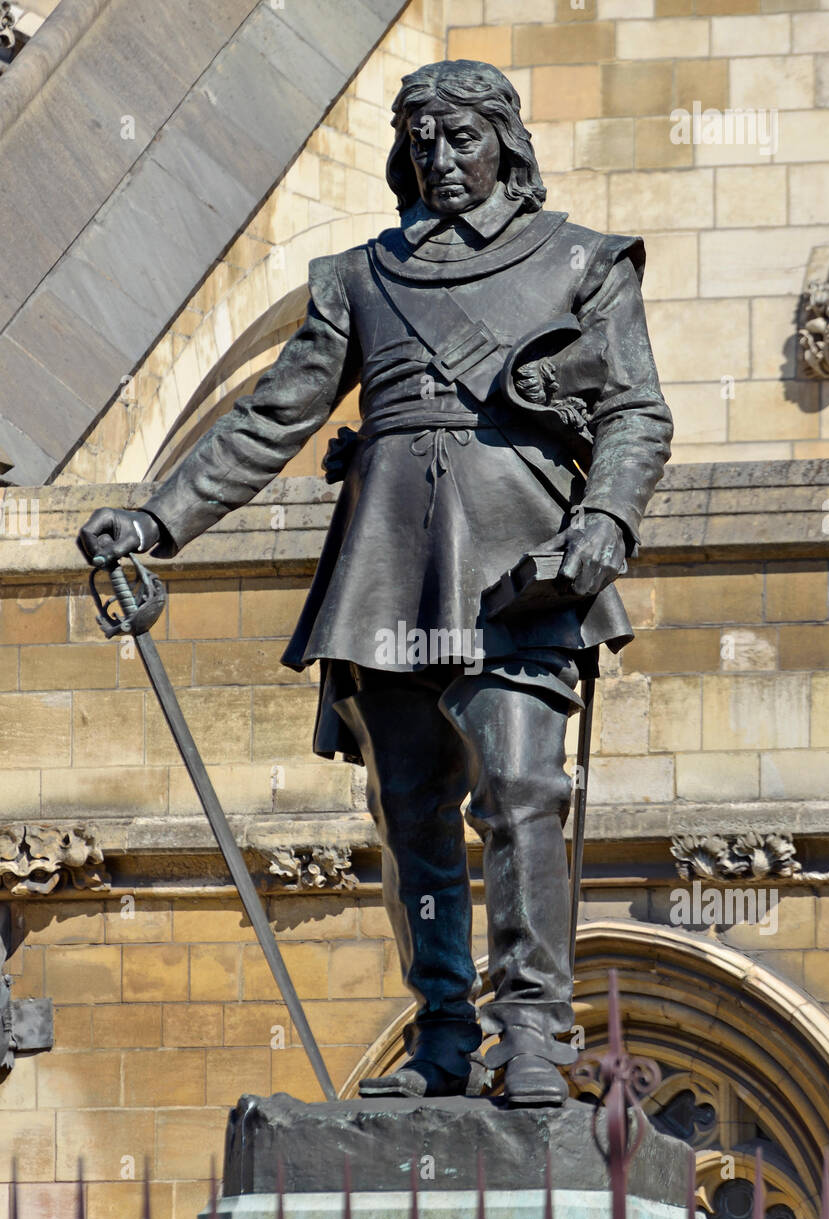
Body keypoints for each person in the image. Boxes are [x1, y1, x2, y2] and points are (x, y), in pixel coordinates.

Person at [78, 60, 673, 1107]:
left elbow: (636, 412)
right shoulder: (362, 276)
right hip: (390, 565)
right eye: (423, 141)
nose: (442, 161)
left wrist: (606, 521)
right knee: (410, 816)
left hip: (516, 566)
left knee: (525, 794)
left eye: (463, 139)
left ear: (505, 141)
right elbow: (273, 416)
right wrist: (160, 517)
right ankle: (443, 1034)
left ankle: (532, 1028)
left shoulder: (582, 262)